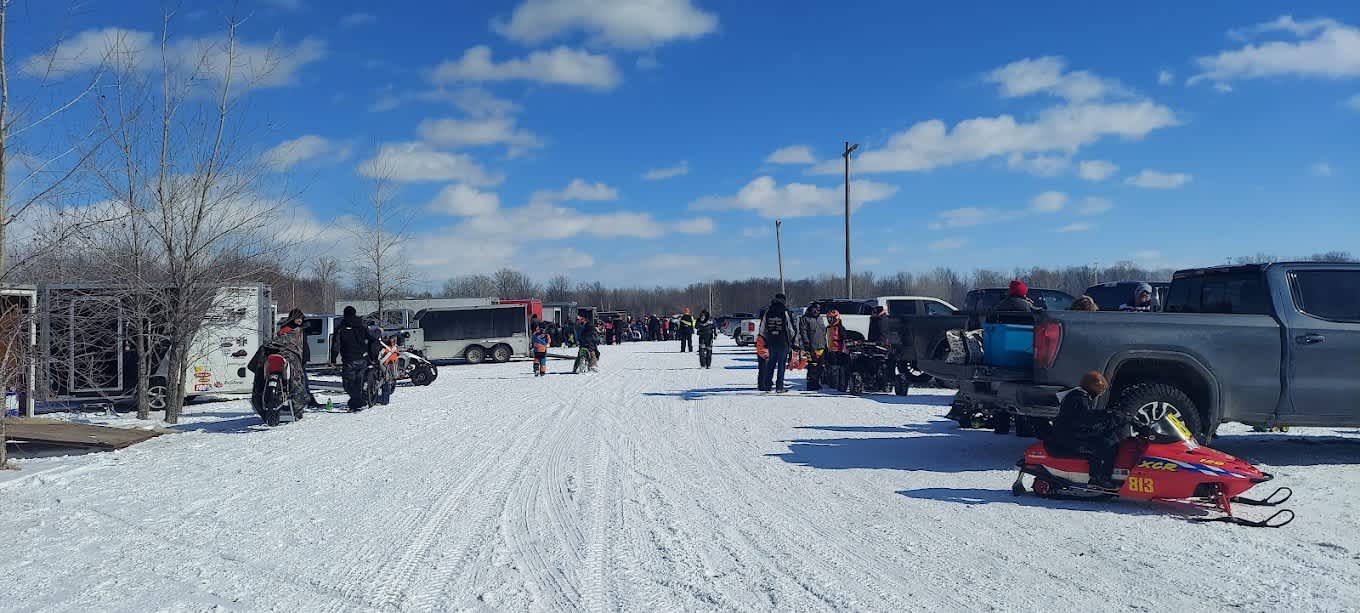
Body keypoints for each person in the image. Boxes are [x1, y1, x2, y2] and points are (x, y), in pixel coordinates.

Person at [1049, 371, 1124, 488]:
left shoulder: (1078, 396)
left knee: (1109, 438)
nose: (1100, 394)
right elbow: (1084, 419)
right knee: (1104, 444)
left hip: (1072, 433)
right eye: (1100, 391)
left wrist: (1107, 414)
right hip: (1069, 437)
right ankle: (1097, 478)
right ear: (1093, 387)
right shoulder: (1079, 398)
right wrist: (1104, 418)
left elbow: (1087, 416)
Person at [329, 306, 380, 411]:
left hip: (349, 359)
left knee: (348, 383)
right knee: (359, 382)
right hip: (362, 358)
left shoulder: (341, 328)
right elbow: (372, 338)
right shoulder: (361, 326)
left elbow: (336, 345)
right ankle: (358, 401)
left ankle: (358, 401)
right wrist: (372, 354)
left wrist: (333, 359)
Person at [277, 308, 321, 407]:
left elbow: (311, 328)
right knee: (293, 380)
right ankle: (299, 399)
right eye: (297, 318)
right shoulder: (287, 329)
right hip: (290, 357)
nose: (299, 320)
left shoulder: (302, 328)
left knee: (303, 379)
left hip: (302, 357)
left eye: (301, 318)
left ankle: (307, 399)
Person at [757, 293, 794, 392]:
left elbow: (762, 328)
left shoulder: (768, 311)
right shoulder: (785, 312)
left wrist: (764, 340)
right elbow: (790, 328)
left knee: (770, 364)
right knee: (781, 366)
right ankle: (779, 387)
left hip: (771, 342)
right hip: (783, 342)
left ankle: (767, 385)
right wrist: (792, 341)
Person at [799, 303, 828, 391]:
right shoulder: (805, 318)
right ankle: (811, 384)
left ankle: (816, 382)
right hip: (810, 347)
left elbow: (823, 331)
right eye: (815, 309)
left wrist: (825, 343)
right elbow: (803, 331)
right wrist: (806, 342)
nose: (817, 311)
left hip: (821, 346)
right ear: (811, 309)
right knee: (812, 366)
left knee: (820, 366)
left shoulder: (820, 318)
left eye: (818, 309)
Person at [823, 309, 850, 390]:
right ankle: (832, 383)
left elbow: (844, 339)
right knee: (831, 366)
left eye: (830, 318)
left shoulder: (840, 328)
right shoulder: (828, 328)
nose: (829, 320)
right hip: (830, 350)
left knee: (839, 367)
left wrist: (844, 349)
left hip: (839, 351)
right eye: (828, 318)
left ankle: (840, 384)